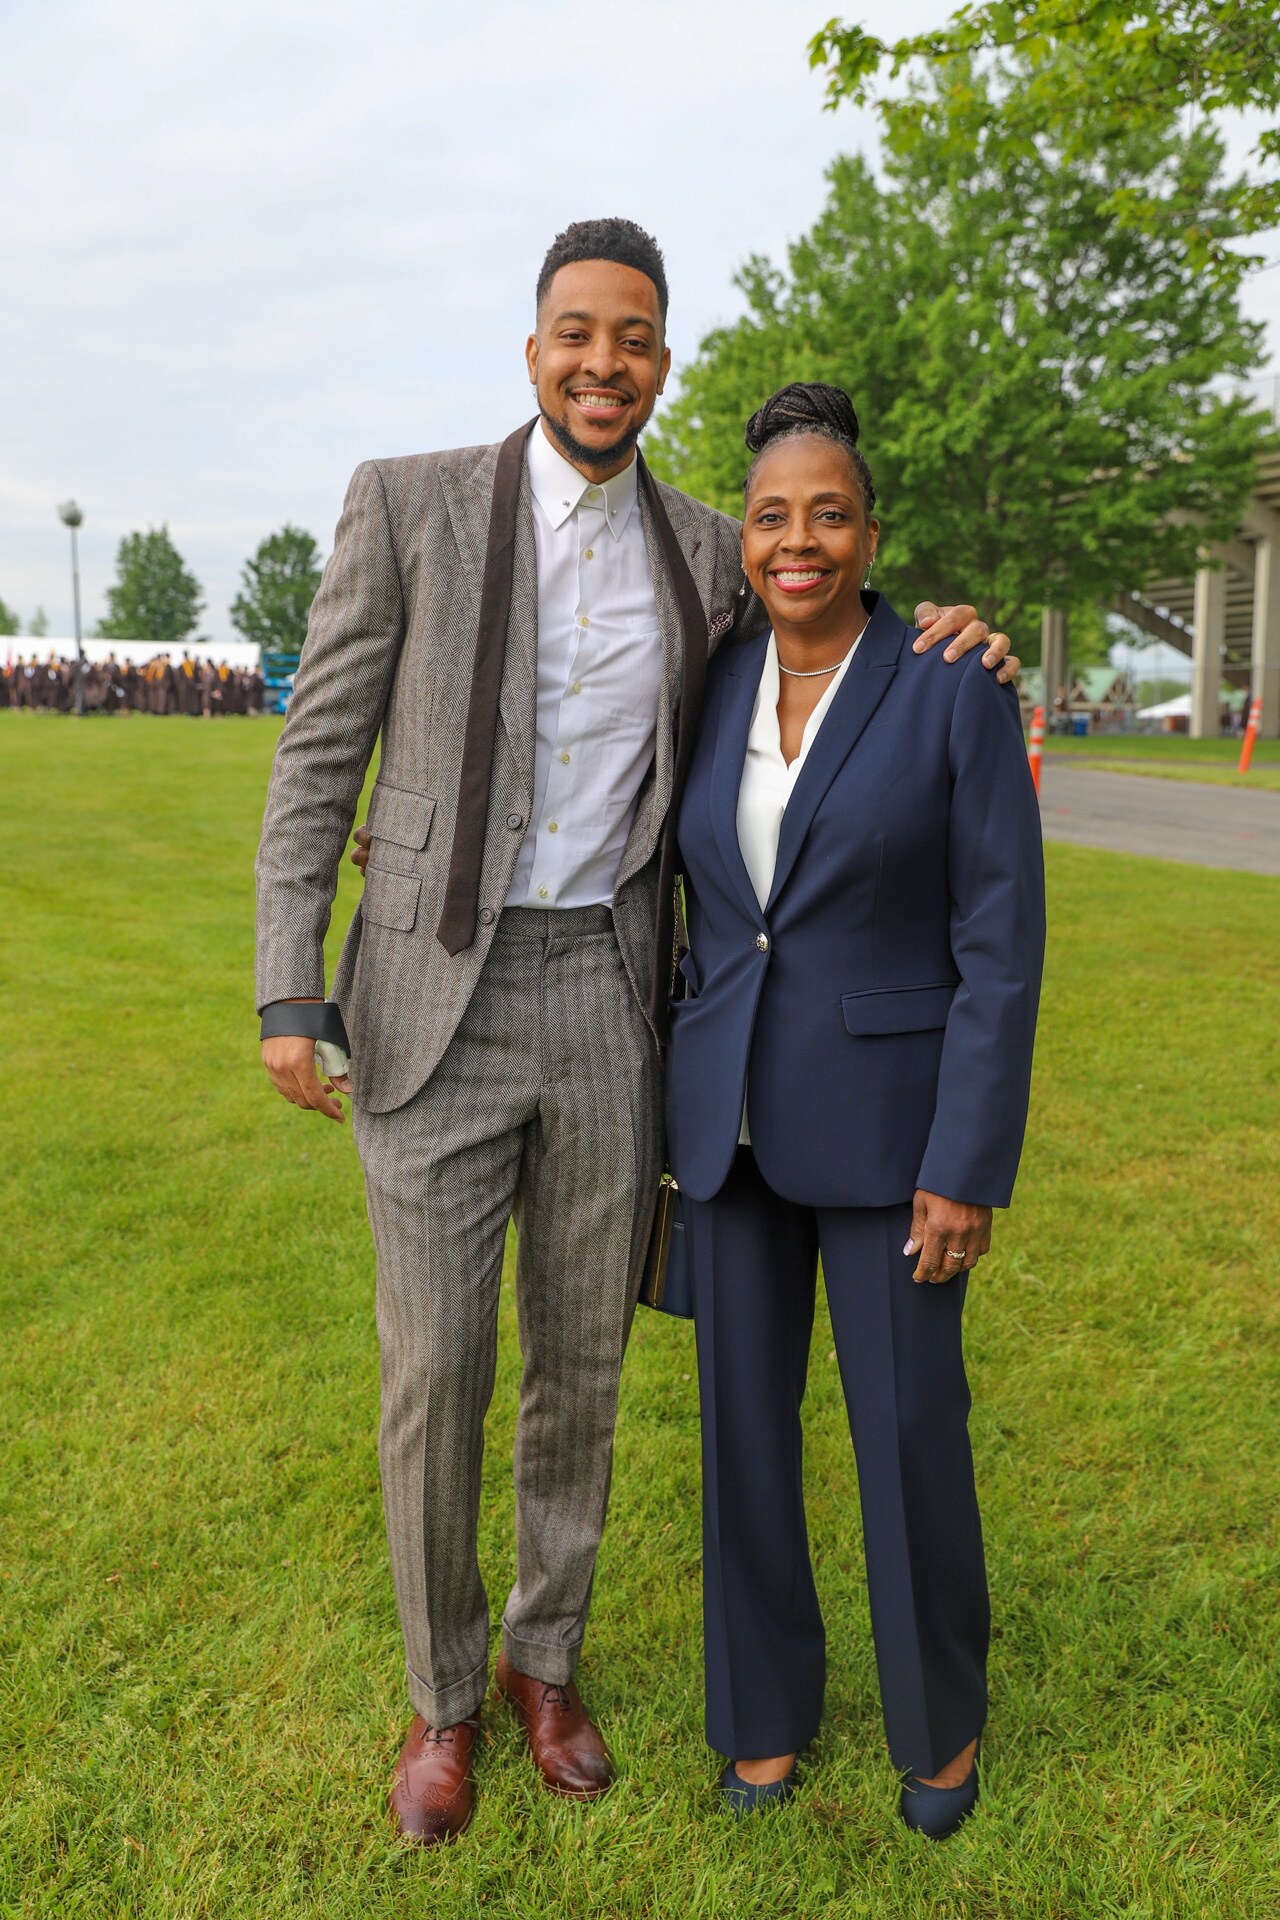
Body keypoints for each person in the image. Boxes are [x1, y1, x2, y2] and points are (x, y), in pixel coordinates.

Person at [255, 219, 1020, 1849]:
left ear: (665, 362)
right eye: (577, 333)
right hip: (430, 1005)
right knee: (438, 1366)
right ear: (533, 348)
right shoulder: (408, 503)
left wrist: (960, 629)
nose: (607, 362)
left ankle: (548, 1663)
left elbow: (841, 641)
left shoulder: (701, 545)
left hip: (620, 1010)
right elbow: (319, 753)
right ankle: (445, 1699)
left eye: (638, 339)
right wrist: (286, 981)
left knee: (582, 1372)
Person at [664, 383, 1045, 1837]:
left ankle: (938, 1730)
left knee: (906, 1434)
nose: (799, 539)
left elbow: (999, 943)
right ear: (744, 541)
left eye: (829, 512)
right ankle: (762, 1720)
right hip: (732, 1131)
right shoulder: (711, 682)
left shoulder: (951, 682)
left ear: (871, 534)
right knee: (742, 1439)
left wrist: (967, 1163)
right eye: (772, 516)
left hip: (894, 1138)